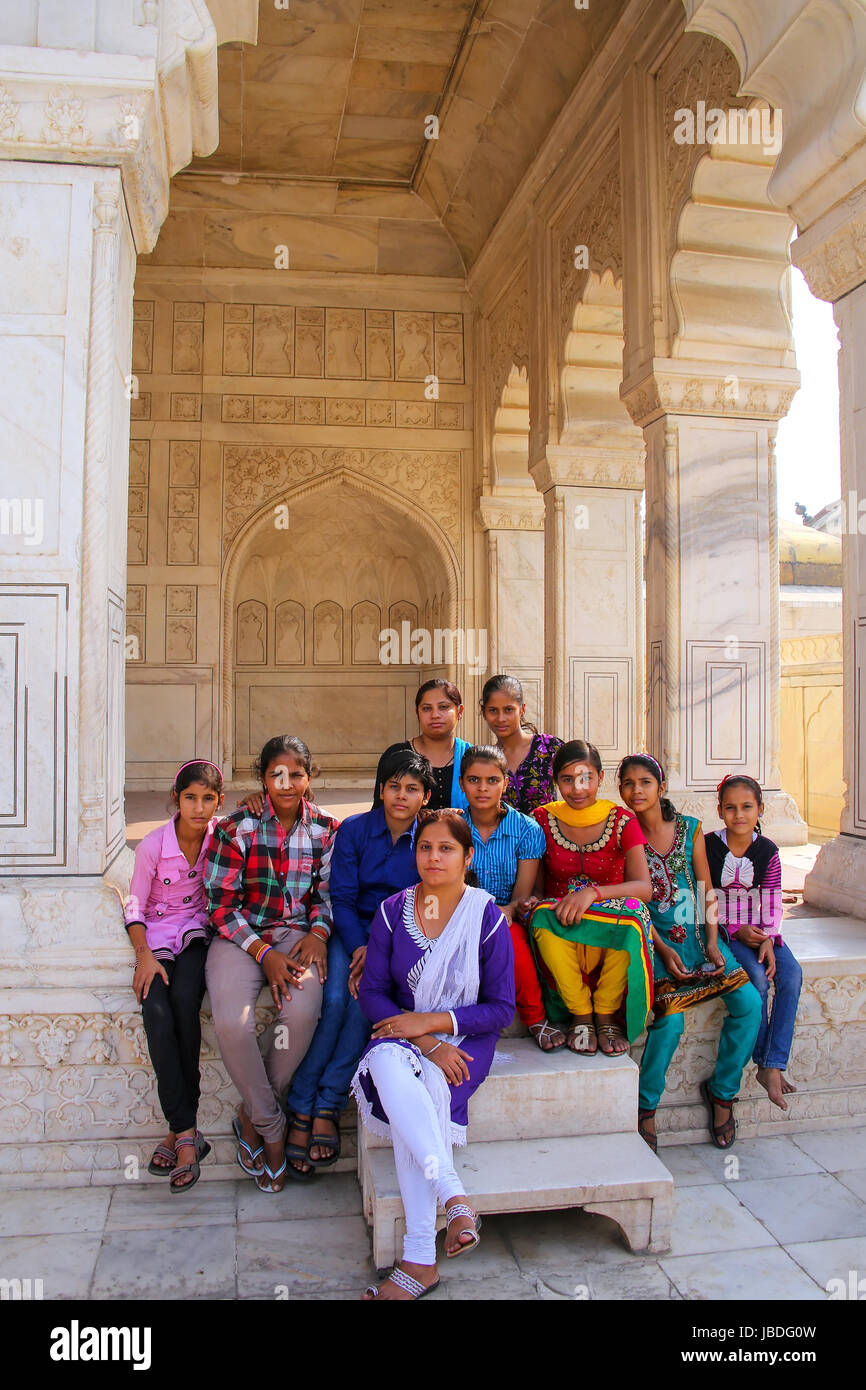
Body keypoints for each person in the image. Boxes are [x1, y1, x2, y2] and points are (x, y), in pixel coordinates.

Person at [353, 809, 515, 1301]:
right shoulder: (391, 911)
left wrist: (436, 1026)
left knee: (422, 1092)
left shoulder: (486, 916)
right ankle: (453, 1195)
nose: (434, 857)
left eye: (446, 848)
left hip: (465, 1042)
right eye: (425, 847)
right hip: (408, 1036)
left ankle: (420, 1258)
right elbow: (374, 993)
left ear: (468, 856)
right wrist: (423, 1038)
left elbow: (501, 1008)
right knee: (383, 1061)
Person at [282, 751, 435, 1176]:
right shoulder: (354, 830)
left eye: (412, 789)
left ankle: (319, 1103)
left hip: (400, 936)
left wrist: (380, 951)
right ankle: (309, 1100)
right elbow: (343, 899)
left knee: (364, 1006)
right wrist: (358, 949)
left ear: (425, 796)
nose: (401, 796)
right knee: (334, 999)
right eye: (393, 786)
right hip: (350, 932)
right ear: (380, 789)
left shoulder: (429, 837)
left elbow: (425, 901)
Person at [204, 735, 339, 1193]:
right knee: (233, 1024)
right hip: (241, 938)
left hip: (299, 937)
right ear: (262, 777)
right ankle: (273, 1127)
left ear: (309, 776)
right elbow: (220, 906)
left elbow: (325, 897)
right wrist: (264, 954)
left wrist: (318, 935)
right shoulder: (235, 827)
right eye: (275, 774)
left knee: (301, 1014)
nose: (286, 783)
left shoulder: (326, 828)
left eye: (296, 774)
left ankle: (249, 1114)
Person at [618, 755, 762, 1151]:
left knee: (749, 1004)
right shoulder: (622, 837)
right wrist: (661, 949)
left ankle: (722, 1092)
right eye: (627, 783)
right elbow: (633, 904)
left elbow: (705, 889)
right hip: (656, 945)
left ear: (660, 787)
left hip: (700, 941)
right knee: (670, 1024)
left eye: (645, 781)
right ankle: (645, 1108)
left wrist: (714, 941)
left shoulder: (689, 829)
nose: (636, 791)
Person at [124, 759, 224, 1193]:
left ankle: (179, 1133)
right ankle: (186, 1132)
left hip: (198, 934)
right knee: (158, 1014)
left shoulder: (222, 836)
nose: (198, 808)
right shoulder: (151, 846)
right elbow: (134, 906)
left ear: (219, 802)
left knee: (186, 1003)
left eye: (208, 799)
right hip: (157, 941)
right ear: (175, 799)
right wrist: (144, 957)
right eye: (190, 798)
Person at [526, 740, 654, 1056]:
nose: (577, 788)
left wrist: (592, 894)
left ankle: (606, 1012)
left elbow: (643, 887)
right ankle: (580, 1012)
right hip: (562, 932)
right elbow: (538, 889)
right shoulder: (541, 819)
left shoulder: (622, 820)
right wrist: (533, 901)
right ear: (556, 782)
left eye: (586, 778)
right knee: (540, 914)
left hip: (608, 934)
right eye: (567, 779)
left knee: (635, 916)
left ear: (599, 777)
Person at [706, 774, 803, 1113]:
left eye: (747, 807)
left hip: (762, 932)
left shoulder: (768, 851)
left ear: (760, 809)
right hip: (727, 933)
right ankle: (766, 1063)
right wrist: (738, 931)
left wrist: (768, 939)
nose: (739, 815)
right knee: (758, 981)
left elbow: (774, 899)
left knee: (790, 975)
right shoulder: (709, 847)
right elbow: (706, 897)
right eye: (730, 808)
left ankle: (773, 1063)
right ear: (720, 811)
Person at [458, 744, 565, 1051]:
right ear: (462, 783)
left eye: (492, 780)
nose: (482, 788)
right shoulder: (453, 827)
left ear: (505, 782)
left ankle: (535, 1018)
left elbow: (520, 898)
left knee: (512, 940)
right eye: (473, 780)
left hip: (506, 915)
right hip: (460, 913)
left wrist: (503, 912)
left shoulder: (526, 830)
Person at [372, 678, 470, 812]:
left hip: (466, 833)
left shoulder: (471, 757)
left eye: (443, 707)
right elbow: (380, 811)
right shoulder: (397, 755)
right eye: (427, 708)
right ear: (417, 712)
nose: (435, 715)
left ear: (460, 711)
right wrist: (427, 817)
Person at [479, 673, 563, 814]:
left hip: (547, 835)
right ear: (484, 712)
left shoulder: (550, 747)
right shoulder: (486, 759)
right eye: (493, 710)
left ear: (522, 709)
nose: (501, 718)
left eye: (508, 710)